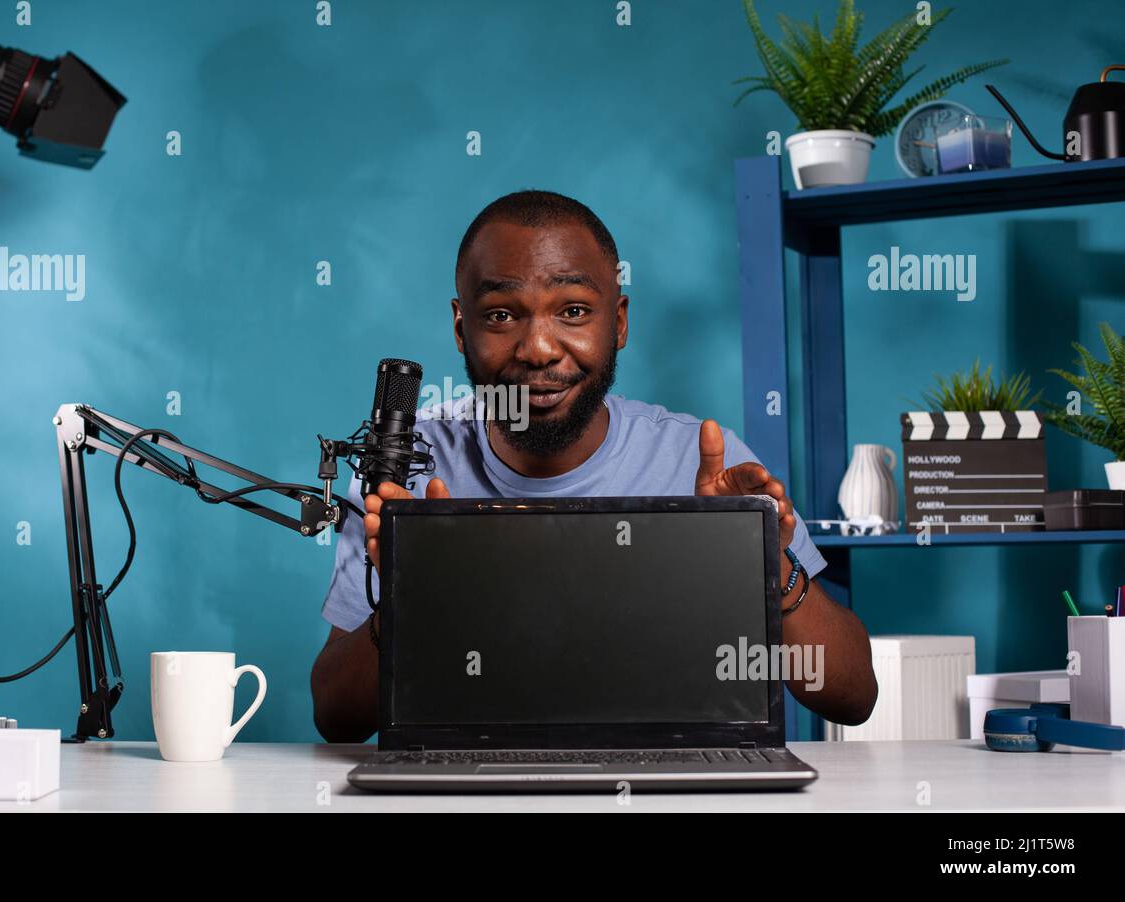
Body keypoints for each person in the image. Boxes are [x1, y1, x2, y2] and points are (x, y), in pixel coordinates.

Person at [311, 190, 876, 742]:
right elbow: (337, 719)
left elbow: (852, 697)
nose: (538, 349)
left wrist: (767, 563)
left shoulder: (703, 459)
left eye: (574, 311)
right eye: (502, 314)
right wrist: (412, 595)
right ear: (462, 329)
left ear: (620, 322)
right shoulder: (404, 465)